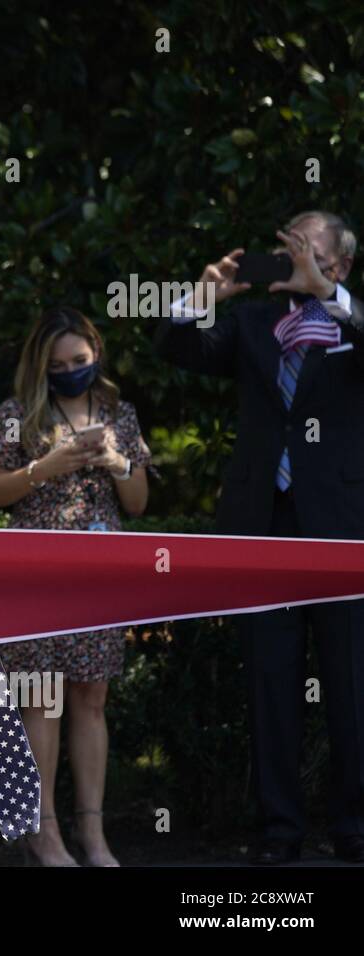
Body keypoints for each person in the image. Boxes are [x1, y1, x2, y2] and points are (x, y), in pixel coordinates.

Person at [156, 210, 364, 865]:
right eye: (286, 248)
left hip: (342, 532)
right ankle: (280, 829)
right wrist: (201, 296)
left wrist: (330, 298)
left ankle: (354, 826)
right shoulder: (251, 324)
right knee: (272, 683)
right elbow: (174, 347)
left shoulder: (353, 322)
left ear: (341, 264)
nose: (291, 258)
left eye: (305, 249)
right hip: (263, 526)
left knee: (351, 682)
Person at [0, 306, 150, 866]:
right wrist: (47, 466)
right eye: (58, 364)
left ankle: (94, 835)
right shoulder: (15, 415)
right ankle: (43, 832)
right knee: (42, 700)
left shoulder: (117, 414)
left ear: (96, 352)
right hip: (37, 577)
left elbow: (139, 503)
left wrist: (118, 461)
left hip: (99, 578)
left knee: (91, 698)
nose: (71, 369)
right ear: (41, 366)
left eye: (79, 360)